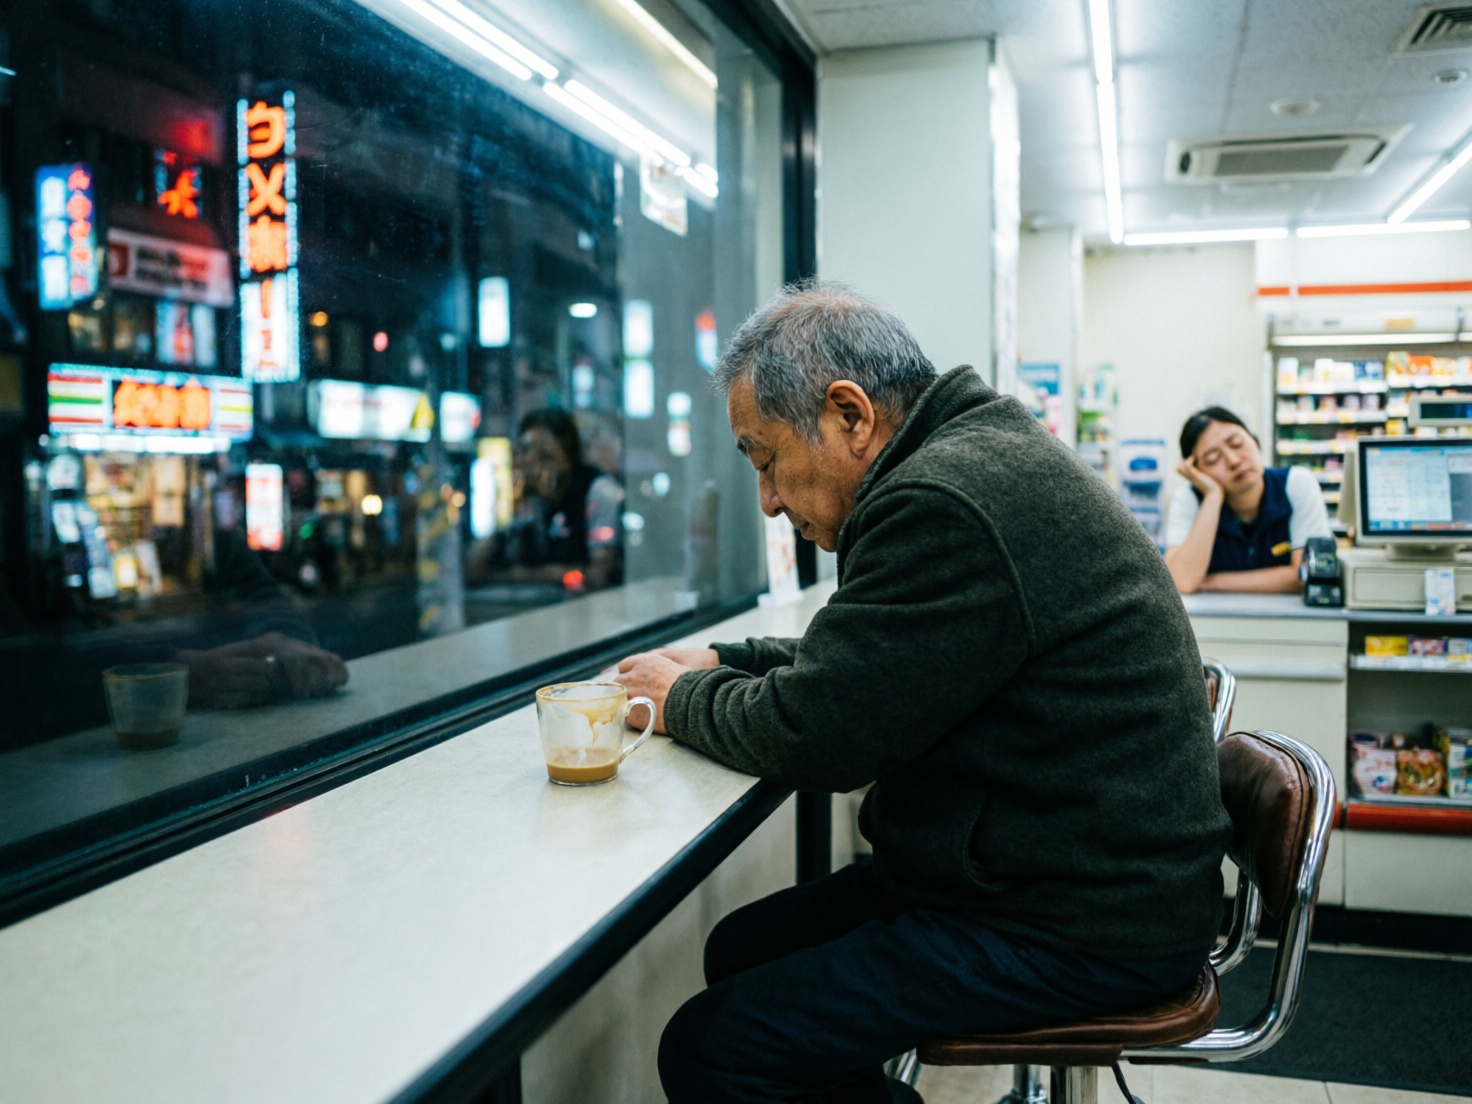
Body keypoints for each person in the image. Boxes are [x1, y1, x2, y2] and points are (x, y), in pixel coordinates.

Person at [613, 283, 1232, 1104]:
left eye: (765, 461)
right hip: (1060, 874)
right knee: (744, 948)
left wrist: (678, 699)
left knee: (715, 1048)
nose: (768, 501)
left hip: (1080, 919)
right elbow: (882, 655)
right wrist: (727, 657)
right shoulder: (972, 455)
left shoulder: (943, 499)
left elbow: (819, 732)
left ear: (850, 415)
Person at [1164, 406, 1333, 595]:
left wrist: (1209, 582)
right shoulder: (1189, 499)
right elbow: (1181, 581)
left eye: (1237, 444)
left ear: (1254, 440)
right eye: (1213, 459)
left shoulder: (1296, 483)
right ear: (1197, 472)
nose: (1233, 460)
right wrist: (1212, 495)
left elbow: (1307, 574)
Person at [505, 408, 623, 591]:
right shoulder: (535, 503)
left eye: (546, 456)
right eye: (526, 453)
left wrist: (533, 575)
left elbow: (599, 574)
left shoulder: (599, 492)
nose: (533, 465)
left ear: (569, 456)